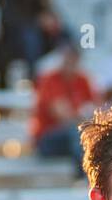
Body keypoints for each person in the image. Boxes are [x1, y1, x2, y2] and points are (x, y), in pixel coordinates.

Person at [30, 40, 96, 176]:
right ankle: (86, 176)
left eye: (74, 57)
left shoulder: (83, 80)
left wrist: (81, 117)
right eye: (67, 57)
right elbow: (61, 116)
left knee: (87, 134)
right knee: (76, 132)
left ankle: (90, 175)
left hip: (73, 139)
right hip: (47, 140)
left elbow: (96, 111)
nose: (70, 61)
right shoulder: (50, 79)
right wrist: (82, 117)